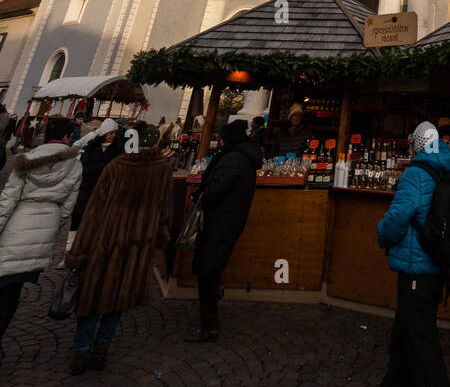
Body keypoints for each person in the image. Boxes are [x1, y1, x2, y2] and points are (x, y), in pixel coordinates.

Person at [359, 121, 450, 387]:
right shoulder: (446, 169)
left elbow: (397, 218)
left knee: (424, 358)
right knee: (403, 350)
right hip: (431, 275)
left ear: (416, 145)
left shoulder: (417, 174)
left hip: (416, 274)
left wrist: (381, 236)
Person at [65, 145, 173, 373]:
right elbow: (165, 209)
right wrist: (161, 238)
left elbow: (94, 210)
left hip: (105, 240)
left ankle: (81, 350)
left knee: (92, 297)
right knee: (119, 298)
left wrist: (78, 251)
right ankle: (101, 350)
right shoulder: (162, 169)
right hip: (137, 245)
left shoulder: (116, 165)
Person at [0, 118, 85, 349]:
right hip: (44, 229)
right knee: (12, 292)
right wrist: (53, 224)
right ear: (68, 137)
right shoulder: (75, 165)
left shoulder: (26, 159)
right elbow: (69, 205)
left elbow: (9, 198)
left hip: (16, 225)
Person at [186, 118, 262, 342]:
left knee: (207, 270)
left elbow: (216, 190)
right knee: (212, 269)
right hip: (230, 221)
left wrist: (200, 197)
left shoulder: (233, 160)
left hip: (220, 222)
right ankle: (209, 317)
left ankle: (209, 324)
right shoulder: (245, 159)